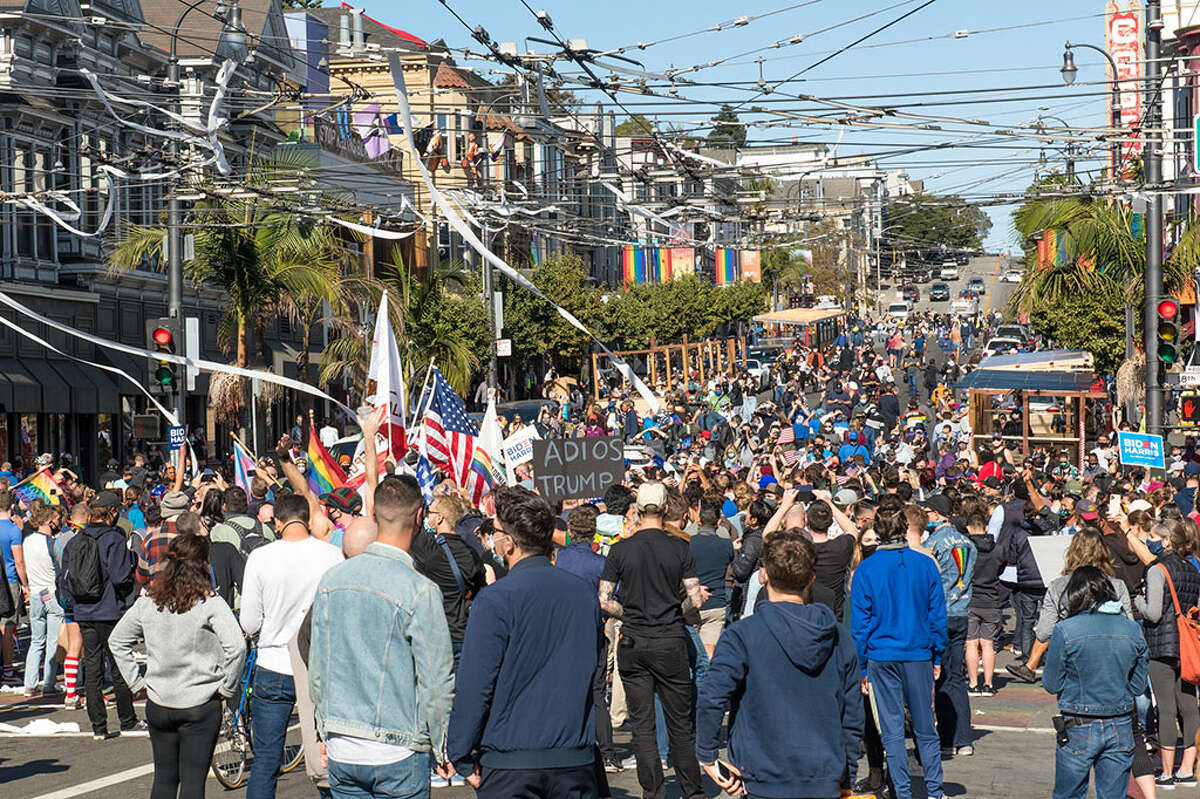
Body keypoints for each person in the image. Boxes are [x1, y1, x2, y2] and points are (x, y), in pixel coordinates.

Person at [448, 486, 604, 798]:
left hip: (513, 762)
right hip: (573, 758)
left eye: (494, 532)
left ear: (508, 542)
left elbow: (476, 684)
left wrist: (461, 752)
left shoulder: (495, 600)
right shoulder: (582, 595)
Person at [308, 475, 455, 799]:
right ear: (419, 516)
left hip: (343, 742)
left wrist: (323, 731)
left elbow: (318, 668)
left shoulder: (331, 581)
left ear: (373, 516)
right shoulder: (419, 590)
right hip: (397, 748)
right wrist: (441, 746)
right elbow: (435, 679)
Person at [696, 530, 863, 799]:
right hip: (822, 775)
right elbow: (852, 715)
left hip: (763, 775)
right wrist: (848, 776)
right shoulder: (838, 637)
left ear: (764, 576)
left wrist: (707, 756)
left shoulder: (743, 635)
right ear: (811, 579)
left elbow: (712, 697)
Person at [109, 533, 246, 799]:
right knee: (193, 782)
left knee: (164, 780)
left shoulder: (149, 602)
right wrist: (227, 687)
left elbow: (117, 641)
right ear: (205, 565)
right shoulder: (209, 603)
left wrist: (137, 682)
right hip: (200, 700)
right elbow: (237, 647)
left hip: (160, 700)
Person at [599, 482, 709, 799]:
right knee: (679, 723)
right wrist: (675, 609)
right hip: (670, 636)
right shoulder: (679, 548)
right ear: (663, 510)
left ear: (636, 510)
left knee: (642, 725)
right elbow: (694, 598)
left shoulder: (620, 549)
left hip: (633, 639)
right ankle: (692, 792)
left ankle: (653, 792)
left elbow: (605, 600)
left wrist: (629, 614)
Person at [240, 493, 343, 799]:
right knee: (327, 756)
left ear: (277, 522)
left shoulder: (261, 556)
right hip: (318, 663)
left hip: (274, 662)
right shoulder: (331, 555)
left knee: (266, 760)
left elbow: (249, 622)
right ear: (308, 519)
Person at [850, 511, 947, 799]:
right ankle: (934, 790)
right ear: (904, 531)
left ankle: (902, 792)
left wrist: (863, 667)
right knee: (925, 726)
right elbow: (936, 615)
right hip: (917, 653)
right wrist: (938, 655)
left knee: (891, 729)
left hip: (882, 655)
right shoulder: (925, 565)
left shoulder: (866, 569)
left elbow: (860, 625)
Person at [1043, 566, 1148, 799]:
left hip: (1078, 721)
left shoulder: (1065, 629)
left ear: (1076, 594)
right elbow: (1138, 686)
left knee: (1069, 794)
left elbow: (1051, 684)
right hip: (1120, 721)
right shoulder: (1132, 629)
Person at [58, 490, 142, 739]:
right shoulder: (114, 538)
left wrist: (73, 604)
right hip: (110, 609)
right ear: (113, 512)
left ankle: (99, 726)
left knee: (92, 667)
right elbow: (119, 576)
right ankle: (127, 719)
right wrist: (131, 572)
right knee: (118, 665)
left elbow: (63, 578)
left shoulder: (76, 539)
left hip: (84, 610)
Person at [1133, 521, 1200, 788]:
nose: (1150, 540)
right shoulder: (1193, 569)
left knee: (1166, 707)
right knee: (1188, 705)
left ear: (1166, 542)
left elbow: (1154, 613)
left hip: (1162, 644)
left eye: (1153, 536)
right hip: (1188, 645)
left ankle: (1167, 771)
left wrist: (1139, 600)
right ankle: (1187, 767)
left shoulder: (1158, 569)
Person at [921, 494, 976, 756]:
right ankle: (964, 739)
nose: (927, 517)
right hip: (962, 610)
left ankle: (946, 739)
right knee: (957, 677)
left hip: (940, 612)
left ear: (937, 514)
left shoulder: (932, 543)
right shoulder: (967, 541)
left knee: (940, 677)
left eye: (929, 512)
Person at [22, 505, 63, 696]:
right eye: (57, 518)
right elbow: (60, 567)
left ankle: (29, 684)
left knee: (36, 640)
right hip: (52, 592)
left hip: (36, 593)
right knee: (52, 641)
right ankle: (48, 683)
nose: (59, 522)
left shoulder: (28, 540)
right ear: (50, 521)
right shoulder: (52, 543)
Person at [688, 496, 733, 658]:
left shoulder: (688, 544)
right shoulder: (726, 545)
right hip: (716, 604)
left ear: (698, 521)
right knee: (709, 655)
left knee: (692, 654)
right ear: (718, 523)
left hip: (691, 603)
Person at [0, 489, 25, 685]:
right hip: (9, 580)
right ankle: (8, 670)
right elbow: (19, 562)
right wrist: (26, 584)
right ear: (12, 506)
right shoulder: (14, 530)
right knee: (8, 625)